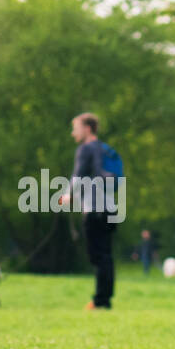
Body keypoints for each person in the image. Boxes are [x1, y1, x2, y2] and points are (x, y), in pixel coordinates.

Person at [69, 112, 115, 309]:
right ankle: (103, 299)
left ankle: (100, 300)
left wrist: (68, 194)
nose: (73, 133)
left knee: (97, 256)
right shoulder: (106, 150)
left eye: (76, 128)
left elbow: (78, 175)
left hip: (94, 209)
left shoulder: (85, 149)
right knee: (105, 255)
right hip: (111, 208)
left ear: (87, 129)